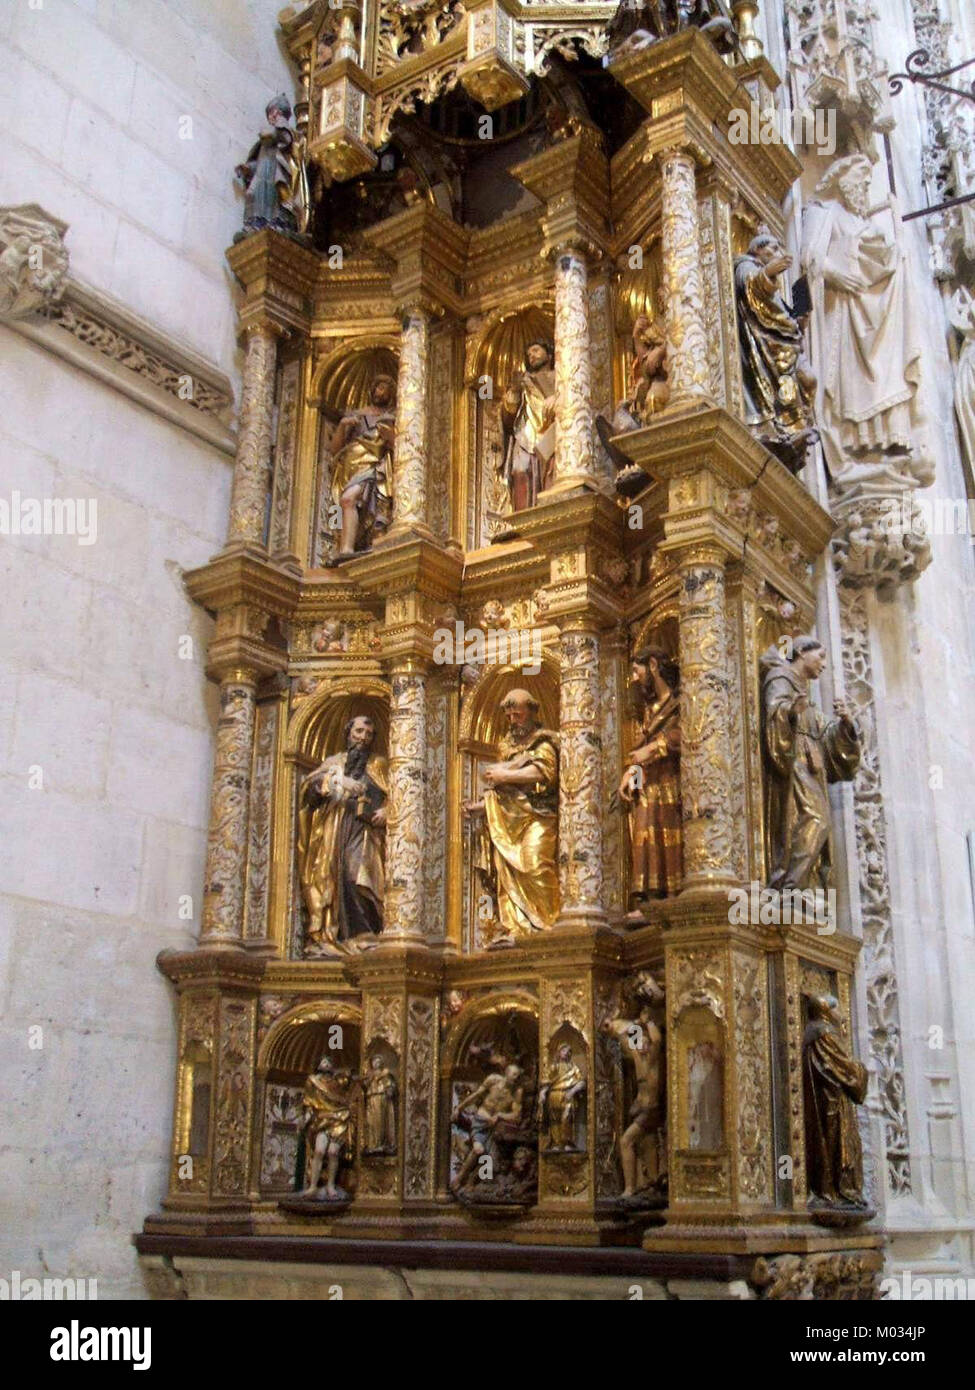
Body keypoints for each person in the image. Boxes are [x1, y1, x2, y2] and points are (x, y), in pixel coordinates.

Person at [801, 154, 930, 485]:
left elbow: (880, 262)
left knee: (881, 378)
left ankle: (883, 445)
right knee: (843, 389)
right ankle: (850, 449)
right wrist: (836, 274)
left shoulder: (866, 222)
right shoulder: (822, 212)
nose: (866, 190)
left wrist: (895, 248)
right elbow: (809, 258)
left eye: (869, 184)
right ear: (845, 184)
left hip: (872, 318)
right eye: (862, 183)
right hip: (838, 317)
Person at [760, 637, 860, 893]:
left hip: (810, 765)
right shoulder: (780, 678)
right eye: (822, 655)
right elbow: (775, 714)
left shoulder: (804, 692)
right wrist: (790, 711)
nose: (824, 664)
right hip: (792, 762)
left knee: (817, 822)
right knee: (817, 819)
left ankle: (799, 885)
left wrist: (845, 726)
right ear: (802, 651)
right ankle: (788, 884)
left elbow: (824, 734)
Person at [464, 689, 560, 940]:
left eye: (517, 714)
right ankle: (516, 928)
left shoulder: (543, 742)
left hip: (537, 816)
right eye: (509, 716)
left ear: (532, 712)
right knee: (508, 875)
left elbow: (544, 773)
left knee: (536, 865)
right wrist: (481, 806)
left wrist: (505, 774)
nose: (513, 720)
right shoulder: (506, 748)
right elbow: (502, 792)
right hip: (508, 822)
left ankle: (549, 925)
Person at [297, 714, 388, 951]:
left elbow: (402, 793)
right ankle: (341, 934)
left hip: (367, 831)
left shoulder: (379, 764)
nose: (363, 738)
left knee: (357, 874)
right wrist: (339, 782)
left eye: (368, 734)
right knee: (335, 878)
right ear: (348, 733)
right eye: (358, 732)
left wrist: (388, 810)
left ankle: (367, 932)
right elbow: (308, 788)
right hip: (335, 829)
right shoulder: (335, 762)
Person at [734, 230, 817, 471]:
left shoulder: (772, 283)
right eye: (773, 248)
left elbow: (781, 316)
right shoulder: (746, 266)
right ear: (757, 250)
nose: (779, 253)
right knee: (791, 383)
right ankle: (783, 425)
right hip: (765, 347)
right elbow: (749, 286)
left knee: (808, 381)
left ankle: (796, 424)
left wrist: (799, 320)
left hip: (784, 346)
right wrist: (769, 272)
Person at [618, 646, 681, 912]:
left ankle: (673, 896)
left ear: (653, 665)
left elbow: (687, 734)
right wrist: (632, 771)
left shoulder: (680, 701)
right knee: (644, 836)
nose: (633, 677)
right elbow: (640, 749)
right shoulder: (651, 709)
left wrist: (654, 748)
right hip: (648, 782)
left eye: (636, 670)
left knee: (668, 832)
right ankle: (649, 898)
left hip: (670, 780)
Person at [602, 975, 666, 1199]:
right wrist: (616, 1026)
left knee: (626, 1141)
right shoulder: (639, 1058)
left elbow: (656, 1040)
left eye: (645, 1042)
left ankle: (629, 1187)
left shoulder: (653, 1059)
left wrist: (647, 1021)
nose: (643, 1045)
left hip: (651, 1109)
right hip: (640, 1107)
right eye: (641, 1043)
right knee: (647, 1145)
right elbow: (624, 1039)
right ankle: (652, 1182)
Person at [803, 995, 869, 1208]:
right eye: (836, 1009)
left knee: (827, 1144)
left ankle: (830, 1190)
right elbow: (845, 1069)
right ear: (826, 1011)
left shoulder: (812, 1033)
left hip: (827, 1099)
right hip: (831, 1101)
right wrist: (861, 1069)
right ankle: (837, 1191)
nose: (841, 1015)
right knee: (835, 1144)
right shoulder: (825, 1034)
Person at [328, 375, 397, 561]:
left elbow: (403, 448)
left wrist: (390, 436)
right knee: (347, 500)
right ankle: (346, 549)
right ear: (372, 390)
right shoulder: (357, 415)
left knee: (351, 500)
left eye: (385, 389)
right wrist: (343, 426)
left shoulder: (393, 417)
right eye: (378, 388)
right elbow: (335, 450)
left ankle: (355, 547)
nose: (380, 392)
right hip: (353, 465)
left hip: (376, 466)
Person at [235, 93, 308, 238]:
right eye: (269, 114)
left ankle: (278, 222)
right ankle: (257, 222)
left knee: (274, 196)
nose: (270, 117)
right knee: (252, 194)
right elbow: (261, 161)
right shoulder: (265, 141)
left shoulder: (282, 129)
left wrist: (272, 134)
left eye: (271, 112)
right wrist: (248, 169)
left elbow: (285, 138)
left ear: (278, 112)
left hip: (276, 174)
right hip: (263, 173)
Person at [500, 340, 557, 512]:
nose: (531, 355)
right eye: (529, 353)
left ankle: (547, 511)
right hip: (525, 435)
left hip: (551, 435)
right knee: (520, 471)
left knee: (549, 474)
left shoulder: (559, 377)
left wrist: (557, 398)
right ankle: (522, 518)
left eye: (536, 350)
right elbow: (508, 418)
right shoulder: (524, 382)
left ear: (549, 354)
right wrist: (515, 391)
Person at [450, 1064, 526, 1194]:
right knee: (478, 1149)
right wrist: (459, 1108)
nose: (515, 1078)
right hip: (481, 1120)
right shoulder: (493, 1080)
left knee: (489, 1158)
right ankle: (459, 1177)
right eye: (513, 1074)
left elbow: (516, 1115)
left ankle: (471, 1182)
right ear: (506, 1073)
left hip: (494, 1127)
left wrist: (500, 1115)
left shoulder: (516, 1092)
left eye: (517, 1076)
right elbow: (476, 1095)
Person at [299, 1055, 355, 1200]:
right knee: (318, 1151)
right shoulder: (313, 1082)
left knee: (333, 1152)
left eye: (328, 1063)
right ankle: (313, 1186)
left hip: (338, 1119)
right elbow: (309, 1104)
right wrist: (305, 1119)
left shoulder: (336, 1082)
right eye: (323, 1062)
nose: (326, 1064)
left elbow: (349, 1080)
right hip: (321, 1121)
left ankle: (330, 1185)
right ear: (319, 1065)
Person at [539, 1043, 586, 1151]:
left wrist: (573, 1091)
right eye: (564, 1050)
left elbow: (581, 1082)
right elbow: (546, 1082)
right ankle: (556, 1143)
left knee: (567, 1118)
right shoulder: (553, 1067)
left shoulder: (574, 1068)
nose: (567, 1053)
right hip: (554, 1094)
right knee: (554, 1120)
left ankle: (567, 1142)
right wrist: (542, 1093)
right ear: (559, 1052)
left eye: (569, 1051)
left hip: (568, 1094)